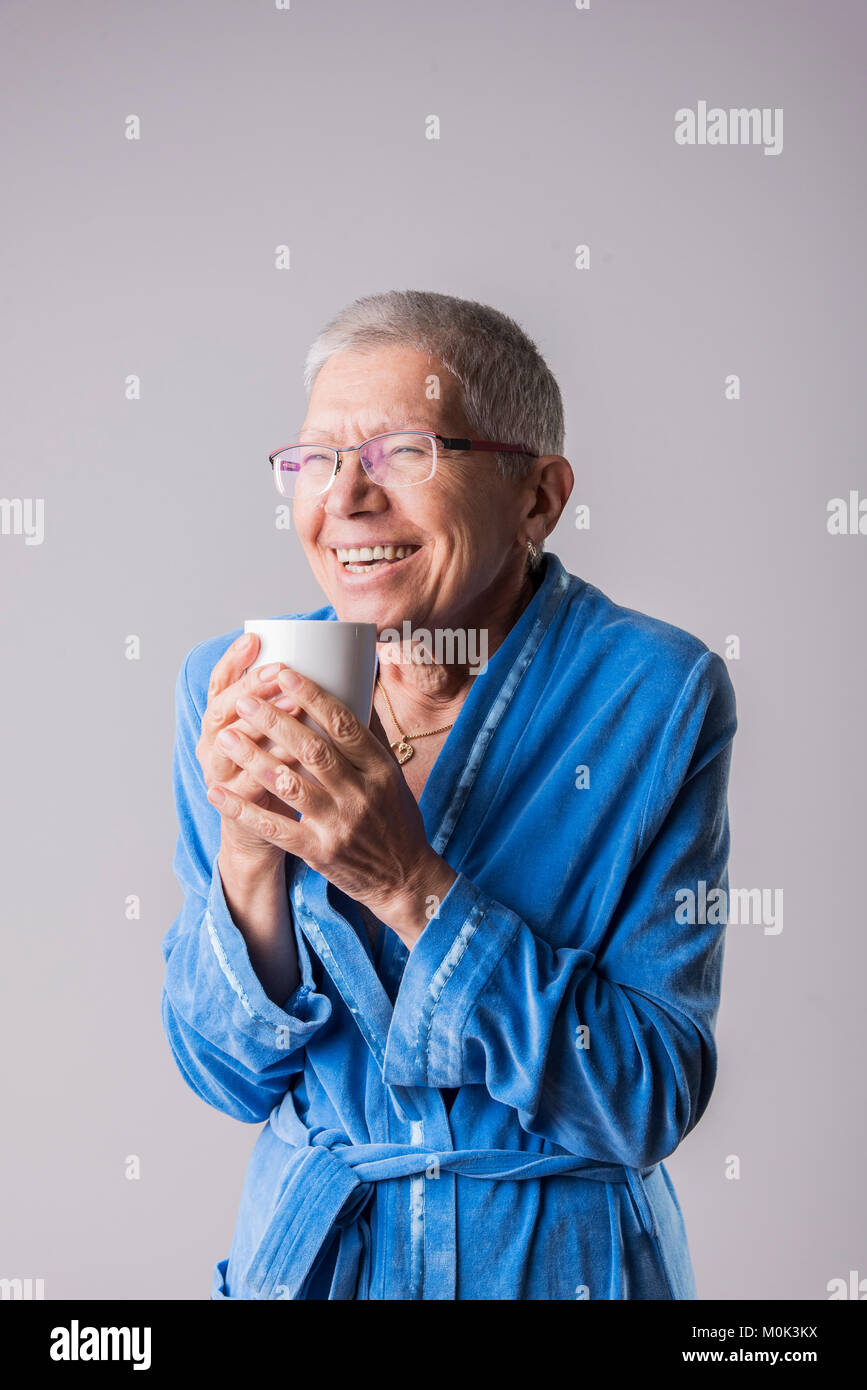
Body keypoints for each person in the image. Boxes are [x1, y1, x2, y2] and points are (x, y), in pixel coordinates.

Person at [161, 289, 737, 1300]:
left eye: (404, 453)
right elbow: (225, 1075)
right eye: (314, 461)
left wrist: (410, 886)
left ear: (539, 496)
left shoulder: (653, 692)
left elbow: (647, 1096)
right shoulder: (234, 685)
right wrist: (248, 849)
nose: (344, 497)